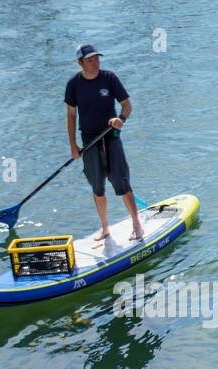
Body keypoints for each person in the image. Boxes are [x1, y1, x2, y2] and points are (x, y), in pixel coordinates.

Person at [65, 43, 144, 243]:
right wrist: (73, 145)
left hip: (111, 138)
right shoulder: (74, 84)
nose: (95, 62)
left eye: (97, 58)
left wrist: (121, 119)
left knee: (122, 183)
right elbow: (71, 114)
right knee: (97, 187)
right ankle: (105, 227)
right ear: (80, 63)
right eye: (90, 59)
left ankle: (136, 224)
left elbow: (127, 106)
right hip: (89, 141)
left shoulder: (109, 78)